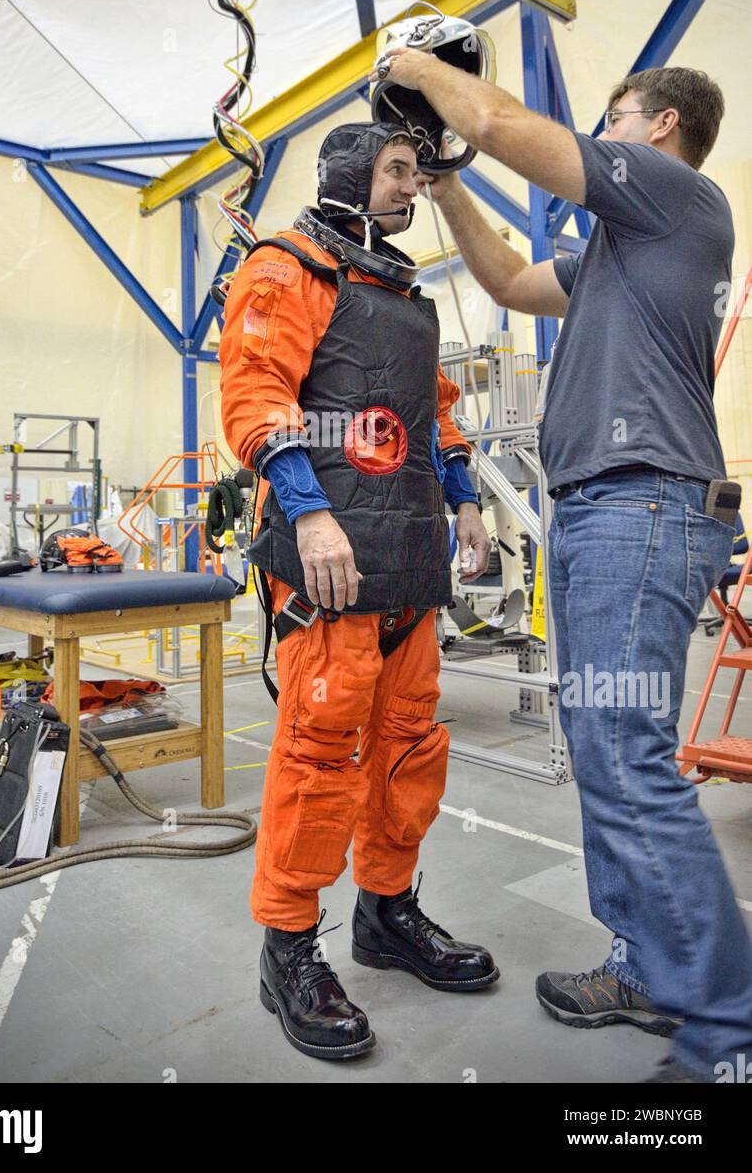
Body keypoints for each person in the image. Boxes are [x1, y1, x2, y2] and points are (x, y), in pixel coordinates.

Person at [376, 47, 752, 1084]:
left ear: (660, 125)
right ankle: (646, 966)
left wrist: (415, 66)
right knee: (605, 759)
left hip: (643, 502)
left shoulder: (678, 197)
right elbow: (500, 277)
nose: (604, 132)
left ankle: (731, 1032)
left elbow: (502, 122)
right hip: (597, 510)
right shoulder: (611, 258)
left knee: (627, 758)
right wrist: (444, 180)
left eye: (615, 118)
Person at [218, 121, 498, 1060]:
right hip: (327, 567)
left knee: (410, 746)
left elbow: (437, 419)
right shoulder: (284, 267)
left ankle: (385, 914)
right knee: (316, 755)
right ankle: (289, 949)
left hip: (410, 565)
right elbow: (256, 396)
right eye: (394, 171)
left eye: (415, 174)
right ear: (345, 173)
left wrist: (464, 503)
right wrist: (305, 511)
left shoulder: (404, 294)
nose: (410, 188)